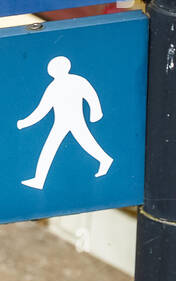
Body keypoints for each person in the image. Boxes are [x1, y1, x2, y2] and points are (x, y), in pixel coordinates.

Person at [17, 55, 113, 189]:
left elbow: (91, 96)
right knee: (60, 146)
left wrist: (96, 112)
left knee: (62, 146)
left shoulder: (74, 81)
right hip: (62, 122)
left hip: (74, 120)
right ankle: (39, 180)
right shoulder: (55, 86)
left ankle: (39, 180)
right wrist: (25, 122)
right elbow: (42, 109)